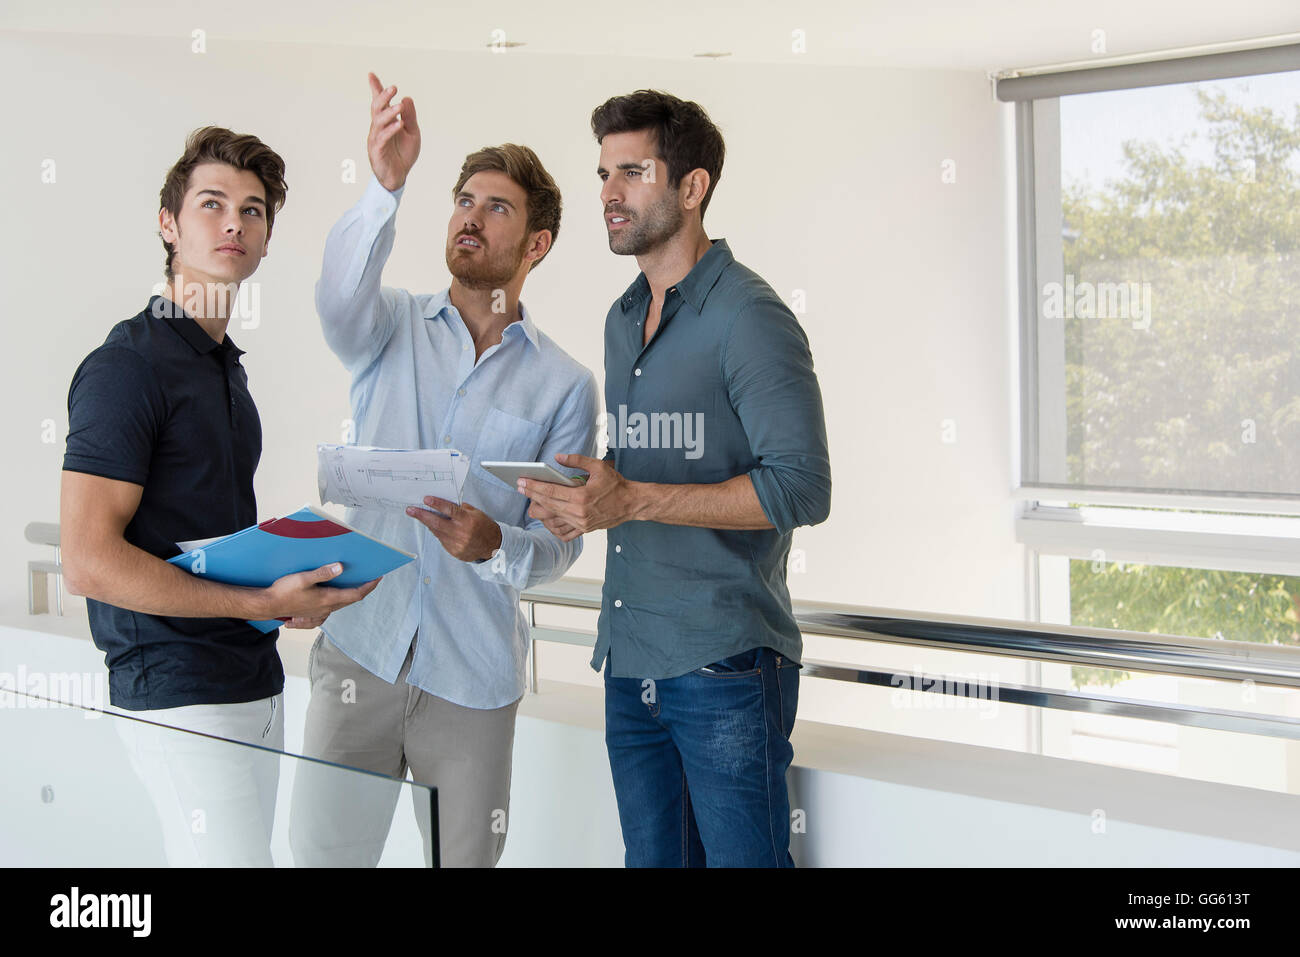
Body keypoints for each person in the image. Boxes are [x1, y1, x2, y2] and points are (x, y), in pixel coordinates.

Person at [289, 73, 599, 868]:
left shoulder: (564, 385)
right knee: (322, 859)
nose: (470, 215)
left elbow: (561, 541)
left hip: (473, 683)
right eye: (465, 199)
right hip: (361, 650)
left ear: (537, 244)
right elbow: (333, 297)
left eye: (497, 207)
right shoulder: (388, 326)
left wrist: (497, 542)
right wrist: (385, 186)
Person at [521, 90, 832, 867]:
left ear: (691, 188)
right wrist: (587, 498)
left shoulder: (751, 317)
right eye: (602, 174)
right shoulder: (623, 316)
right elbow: (648, 473)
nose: (608, 194)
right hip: (630, 658)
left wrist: (633, 497)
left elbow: (802, 487)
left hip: (724, 663)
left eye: (632, 171)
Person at [60, 126, 381, 866]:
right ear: (168, 223)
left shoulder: (223, 366)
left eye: (254, 209)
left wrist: (277, 583)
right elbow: (86, 560)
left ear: (266, 239)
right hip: (178, 691)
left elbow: (197, 526)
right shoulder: (126, 367)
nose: (235, 221)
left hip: (251, 681)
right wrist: (257, 602)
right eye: (212, 203)